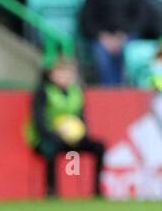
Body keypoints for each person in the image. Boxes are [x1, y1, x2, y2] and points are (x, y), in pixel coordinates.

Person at [25, 57, 106, 199]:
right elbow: (39, 122)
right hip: (46, 137)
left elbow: (81, 118)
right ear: (52, 75)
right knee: (51, 149)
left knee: (99, 146)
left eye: (69, 73)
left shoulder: (76, 92)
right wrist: (55, 134)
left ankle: (97, 190)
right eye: (61, 73)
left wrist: (79, 134)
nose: (65, 77)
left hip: (72, 137)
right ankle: (51, 191)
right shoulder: (44, 92)